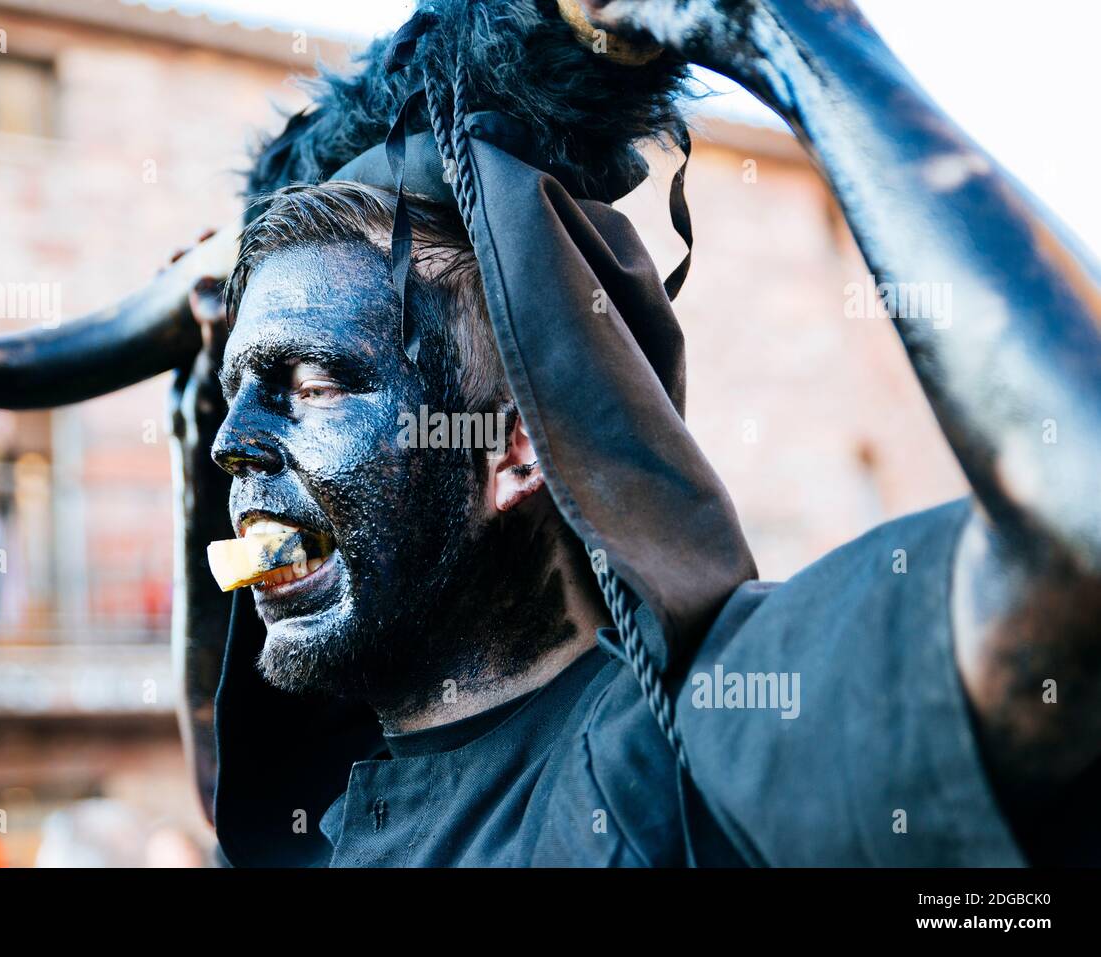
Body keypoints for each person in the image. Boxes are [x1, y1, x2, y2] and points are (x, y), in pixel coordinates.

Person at [162, 0, 1101, 867]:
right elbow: (229, 782)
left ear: (511, 446)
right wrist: (197, 412)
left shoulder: (693, 752)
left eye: (312, 381)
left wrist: (777, 25)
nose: (230, 442)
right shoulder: (334, 813)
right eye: (241, 393)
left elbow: (1081, 529)